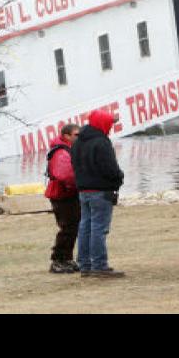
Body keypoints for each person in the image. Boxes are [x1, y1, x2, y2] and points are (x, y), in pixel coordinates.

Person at [72, 110, 126, 279]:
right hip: (101, 191)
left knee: (85, 227)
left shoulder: (78, 142)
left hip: (83, 190)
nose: (110, 127)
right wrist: (119, 177)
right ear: (102, 124)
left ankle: (85, 265)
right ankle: (99, 265)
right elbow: (110, 168)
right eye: (109, 124)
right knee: (98, 228)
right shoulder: (101, 142)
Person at [45, 124, 81, 274]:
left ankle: (66, 258)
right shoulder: (61, 152)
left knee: (72, 227)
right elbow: (65, 174)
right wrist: (80, 183)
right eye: (76, 135)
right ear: (66, 136)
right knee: (67, 227)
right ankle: (58, 260)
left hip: (66, 193)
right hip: (63, 195)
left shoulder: (66, 150)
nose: (79, 137)